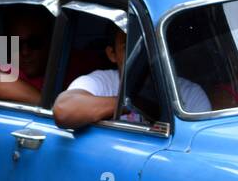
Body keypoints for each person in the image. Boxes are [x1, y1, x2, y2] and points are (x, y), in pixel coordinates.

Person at [53, 23, 211, 128]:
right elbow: (64, 110)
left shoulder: (189, 93)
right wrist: (133, 103)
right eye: (129, 47)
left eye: (152, 47)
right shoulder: (102, 82)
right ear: (112, 54)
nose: (146, 56)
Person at [0, 4, 52, 105]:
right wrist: (50, 107)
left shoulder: (70, 64)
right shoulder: (10, 71)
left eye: (34, 42)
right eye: (17, 44)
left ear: (50, 42)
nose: (25, 52)